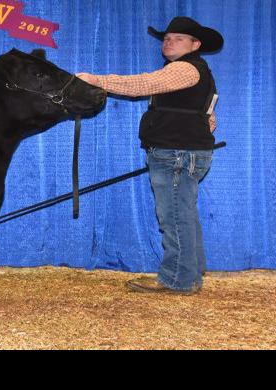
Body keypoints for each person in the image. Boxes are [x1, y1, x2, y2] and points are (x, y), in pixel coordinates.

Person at [76, 17, 223, 294]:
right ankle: (189, 274)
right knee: (183, 213)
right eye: (167, 38)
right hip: (184, 151)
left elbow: (142, 84)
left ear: (196, 44)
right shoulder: (197, 71)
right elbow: (209, 116)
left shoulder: (185, 69)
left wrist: (96, 80)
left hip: (177, 153)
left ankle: (178, 280)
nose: (169, 42)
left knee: (174, 216)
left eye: (178, 38)